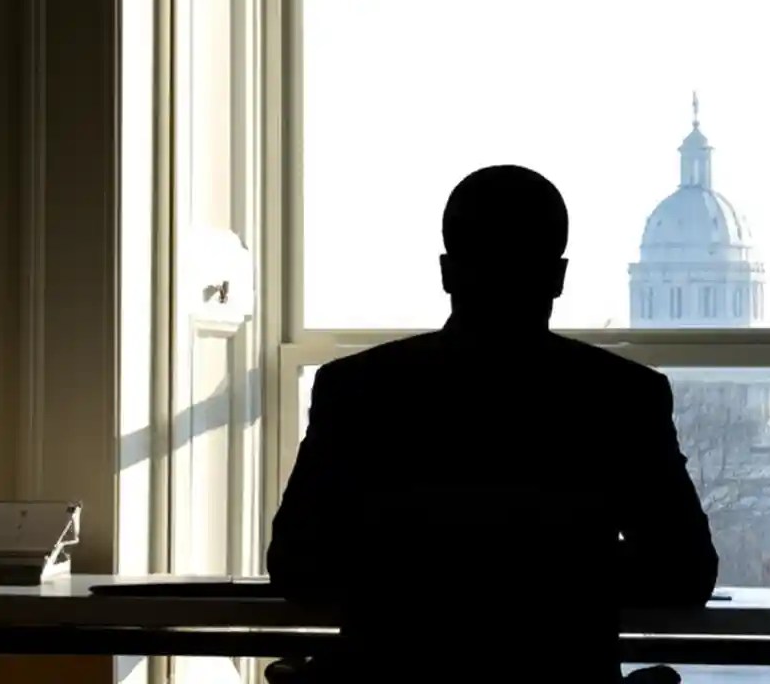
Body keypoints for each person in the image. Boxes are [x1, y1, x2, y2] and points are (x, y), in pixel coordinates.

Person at [266, 164, 719, 683]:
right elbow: (686, 572)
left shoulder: (356, 389)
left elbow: (297, 564)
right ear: (558, 276)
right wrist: (562, 570)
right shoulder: (622, 396)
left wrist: (415, 572)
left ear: (446, 271)